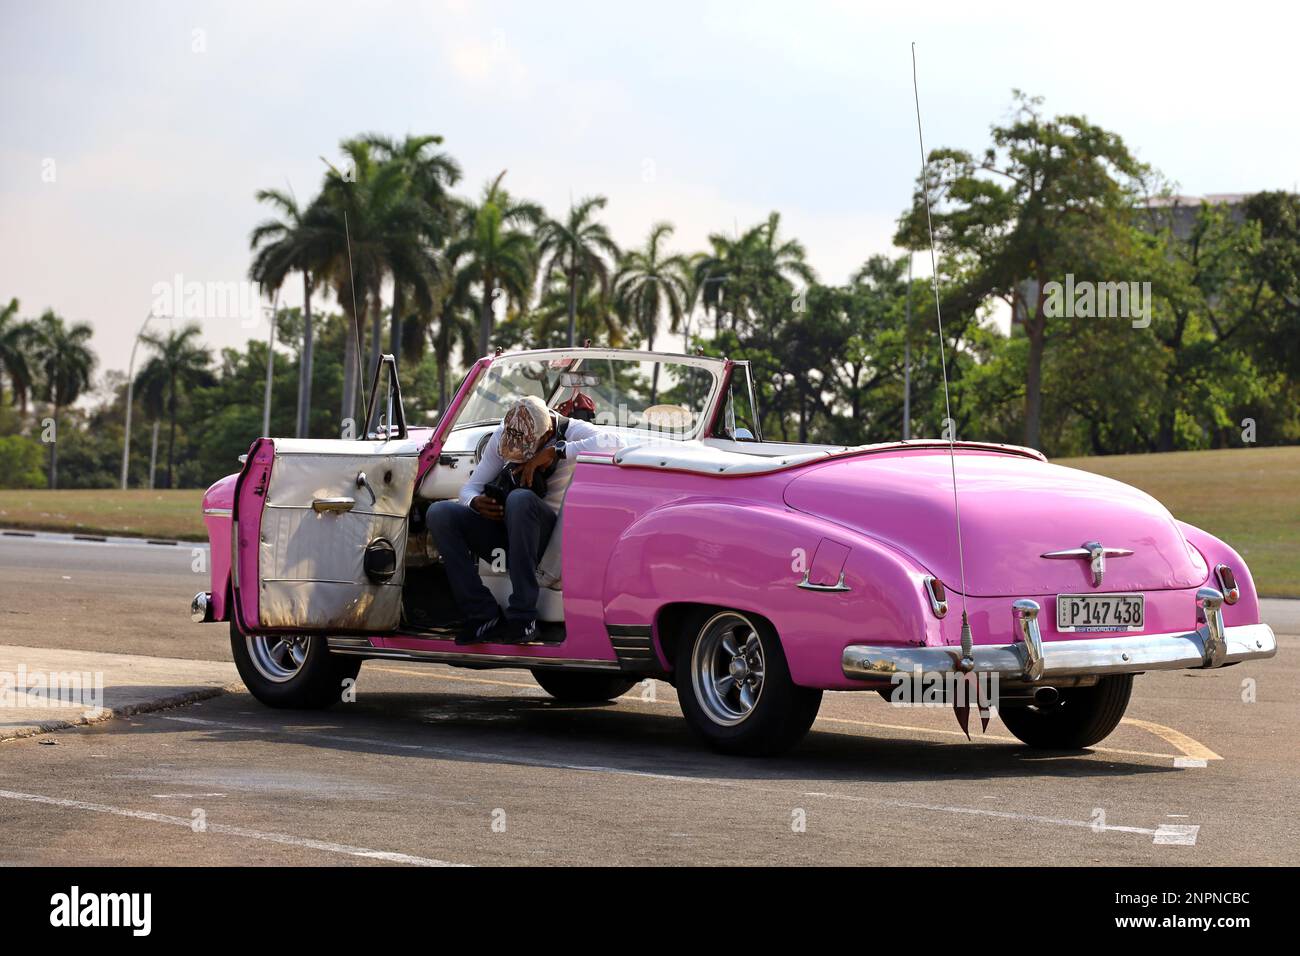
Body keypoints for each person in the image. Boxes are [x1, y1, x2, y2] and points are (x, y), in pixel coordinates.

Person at [427, 395, 619, 645]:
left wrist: (556, 452)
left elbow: (615, 442)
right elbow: (469, 488)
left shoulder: (571, 431)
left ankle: (523, 616)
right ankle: (481, 614)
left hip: (546, 542)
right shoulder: (503, 434)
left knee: (520, 499)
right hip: (508, 532)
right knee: (439, 513)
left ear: (546, 432)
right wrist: (475, 502)